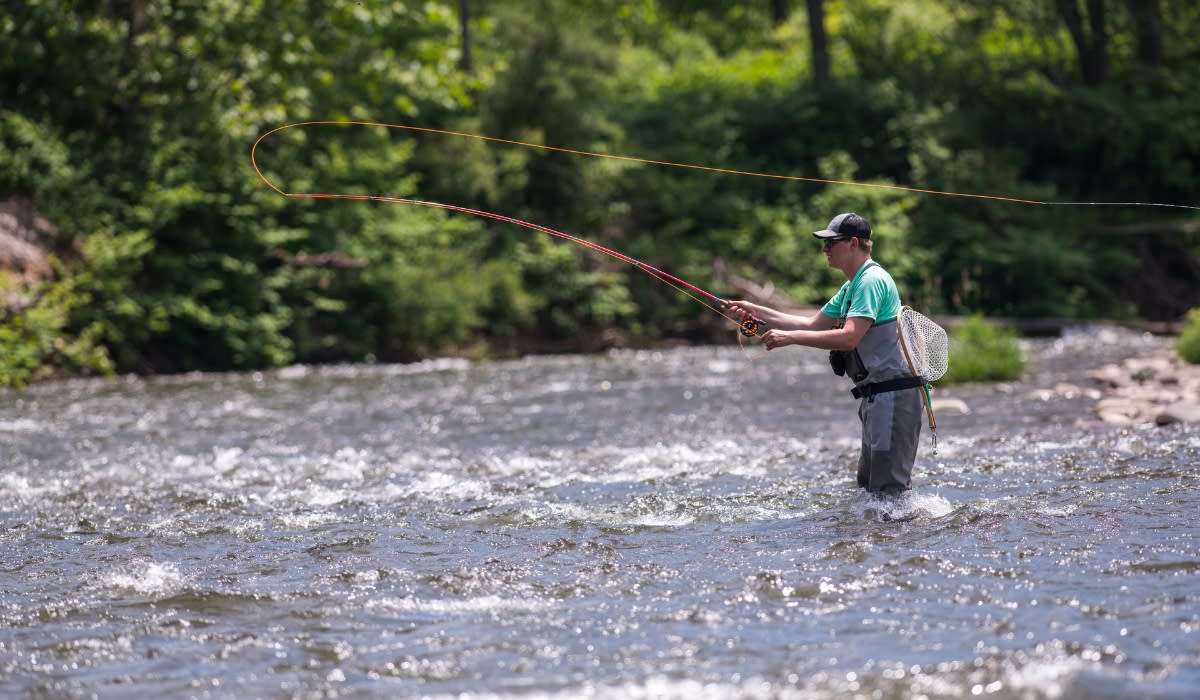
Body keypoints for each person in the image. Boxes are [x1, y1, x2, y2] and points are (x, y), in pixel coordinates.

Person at [724, 212, 923, 495]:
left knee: (888, 493)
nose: (824, 249)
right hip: (876, 397)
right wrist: (755, 309)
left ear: (853, 243)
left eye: (831, 243)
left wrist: (790, 339)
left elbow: (849, 337)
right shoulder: (851, 286)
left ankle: (906, 536)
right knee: (870, 489)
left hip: (893, 397)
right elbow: (812, 324)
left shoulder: (871, 281)